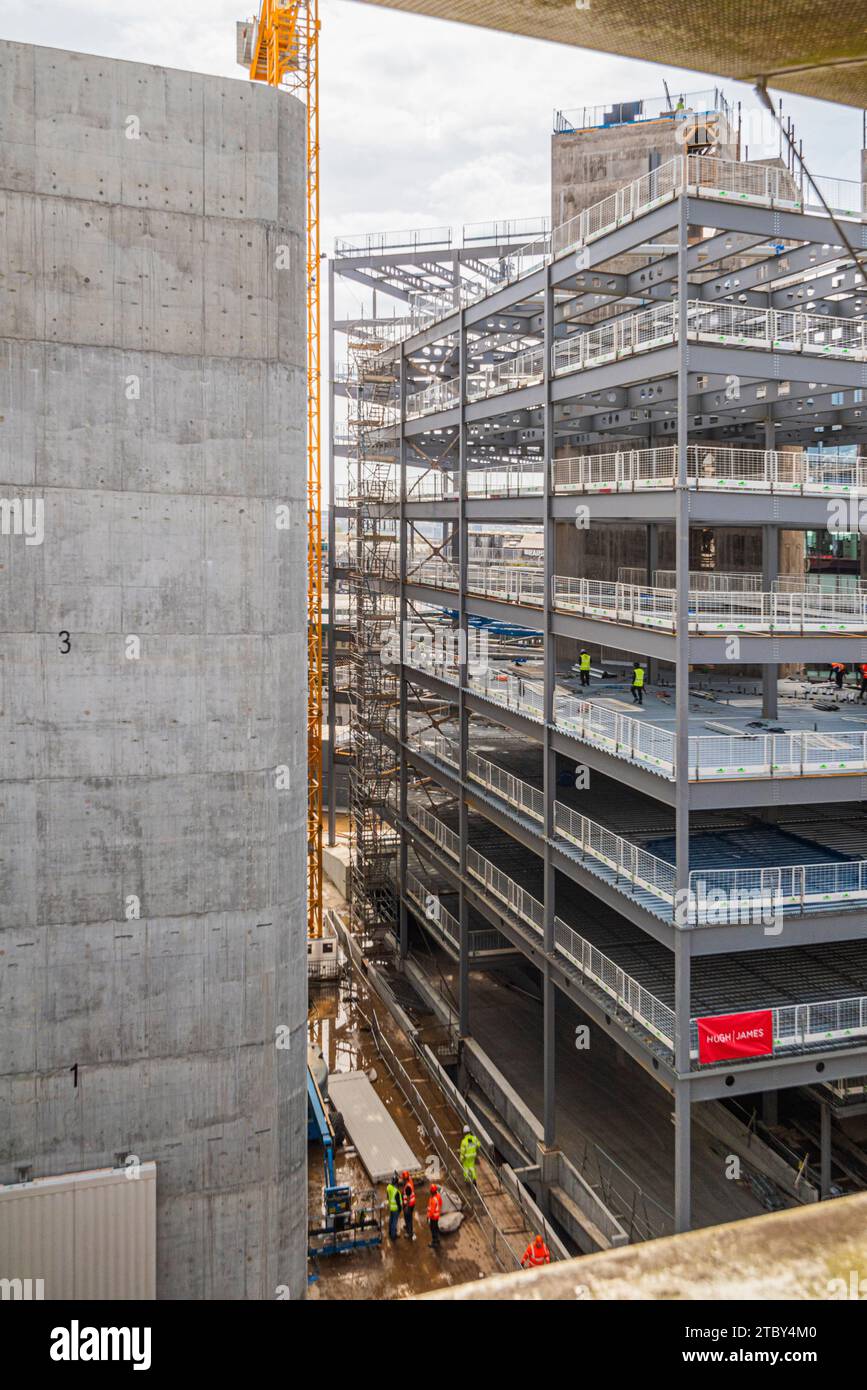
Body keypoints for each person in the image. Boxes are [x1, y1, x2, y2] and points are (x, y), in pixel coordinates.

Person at [386, 1171, 402, 1241]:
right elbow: (398, 1202)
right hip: (395, 1208)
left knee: (391, 1220)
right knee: (394, 1222)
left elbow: (388, 1196)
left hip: (391, 1207)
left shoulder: (389, 1187)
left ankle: (390, 1232)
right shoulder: (396, 1192)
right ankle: (393, 1236)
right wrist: (400, 1209)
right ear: (396, 1183)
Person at [401, 1170, 416, 1240]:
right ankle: (407, 1227)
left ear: (405, 1179)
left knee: (408, 1218)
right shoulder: (409, 1180)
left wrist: (406, 1207)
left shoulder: (408, 1187)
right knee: (407, 1217)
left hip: (409, 1205)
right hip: (410, 1203)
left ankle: (409, 1233)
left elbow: (408, 1197)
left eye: (403, 1179)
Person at [427, 1183, 442, 1247]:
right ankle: (437, 1239)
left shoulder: (433, 1200)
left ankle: (435, 1242)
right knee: (435, 1227)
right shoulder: (438, 1195)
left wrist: (428, 1217)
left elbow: (431, 1211)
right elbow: (441, 1203)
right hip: (437, 1215)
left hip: (433, 1217)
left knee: (433, 1229)